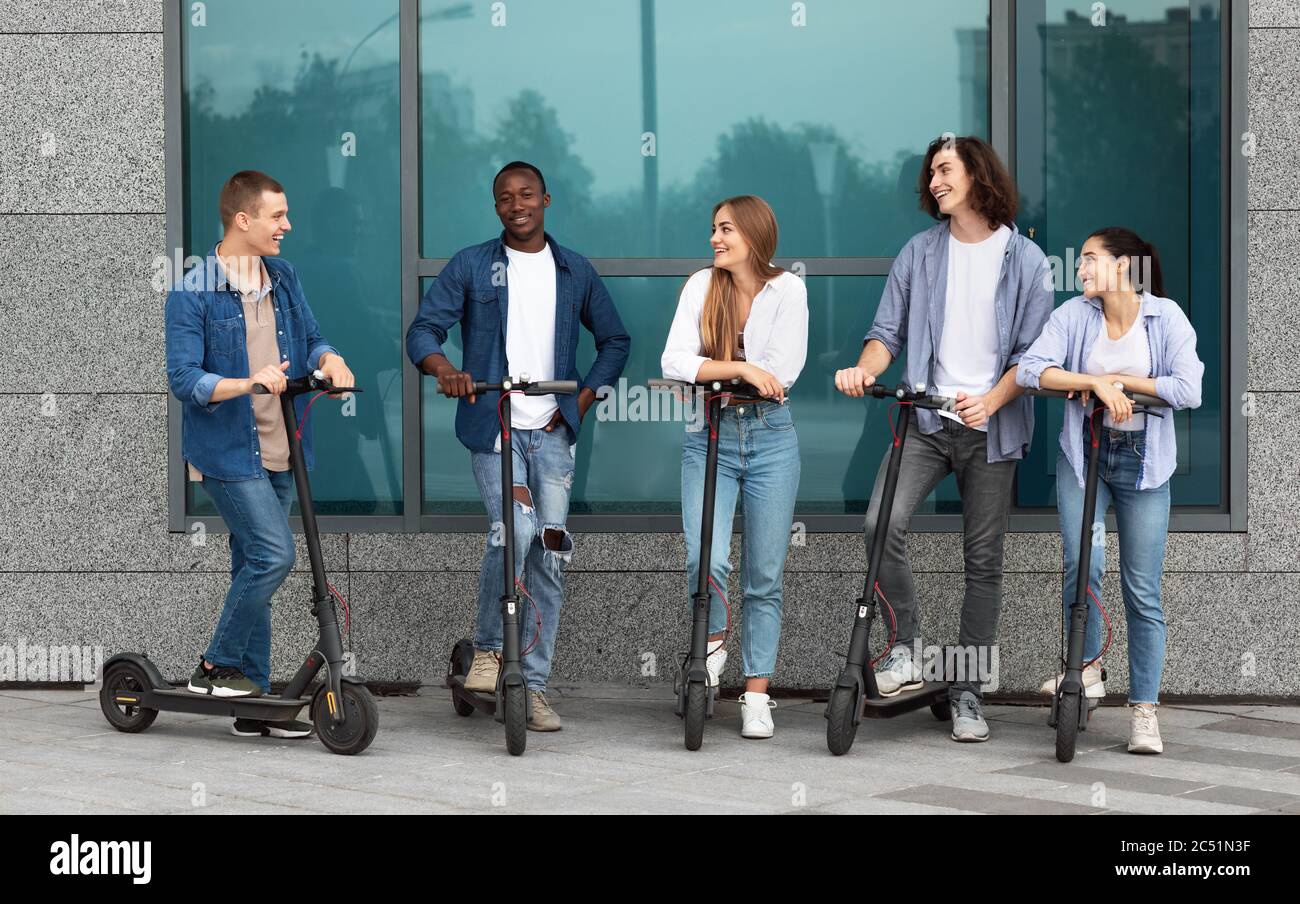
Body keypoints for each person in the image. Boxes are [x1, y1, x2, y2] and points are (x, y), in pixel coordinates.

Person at [834, 136, 1053, 742]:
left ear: (978, 175)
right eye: (930, 173)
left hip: (993, 429)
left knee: (983, 563)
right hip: (927, 424)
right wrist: (866, 369)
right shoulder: (920, 253)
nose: (933, 181)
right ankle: (907, 644)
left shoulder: (1028, 263)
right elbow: (885, 332)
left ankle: (966, 692)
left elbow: (1035, 359)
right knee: (881, 522)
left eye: (945, 170)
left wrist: (992, 400)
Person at [406, 161, 630, 731]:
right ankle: (486, 650)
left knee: (550, 550)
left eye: (526, 194)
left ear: (546, 200)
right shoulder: (472, 266)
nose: (516, 204)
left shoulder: (574, 270)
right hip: (494, 426)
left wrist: (577, 404)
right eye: (505, 197)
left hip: (553, 432)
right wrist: (444, 368)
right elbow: (422, 332)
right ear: (496, 206)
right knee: (516, 529)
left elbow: (615, 340)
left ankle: (531, 685)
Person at [166, 170, 355, 739]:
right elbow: (184, 379)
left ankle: (251, 703)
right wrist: (247, 383)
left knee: (251, 566)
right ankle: (213, 666)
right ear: (243, 220)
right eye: (278, 216)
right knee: (274, 558)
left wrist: (332, 359)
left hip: (281, 447)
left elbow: (312, 336)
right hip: (227, 453)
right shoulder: (192, 289)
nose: (287, 226)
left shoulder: (284, 277)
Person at [1017, 227, 1203, 755]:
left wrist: (1121, 384)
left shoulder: (1165, 317)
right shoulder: (1075, 315)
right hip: (1085, 456)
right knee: (1083, 564)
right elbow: (1032, 370)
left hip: (1144, 464)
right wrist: (1091, 382)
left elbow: (1188, 388)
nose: (1080, 269)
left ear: (1124, 267)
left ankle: (1144, 709)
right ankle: (1087, 673)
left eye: (1091, 259)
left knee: (1142, 590)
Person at [661, 195, 808, 739]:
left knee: (764, 576)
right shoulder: (702, 285)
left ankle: (755, 695)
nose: (715, 239)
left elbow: (782, 372)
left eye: (725, 229)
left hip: (771, 438)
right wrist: (741, 365)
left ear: (753, 233)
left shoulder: (789, 289)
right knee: (707, 557)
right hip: (709, 436)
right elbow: (673, 360)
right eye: (713, 229)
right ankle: (714, 644)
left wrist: (720, 370)